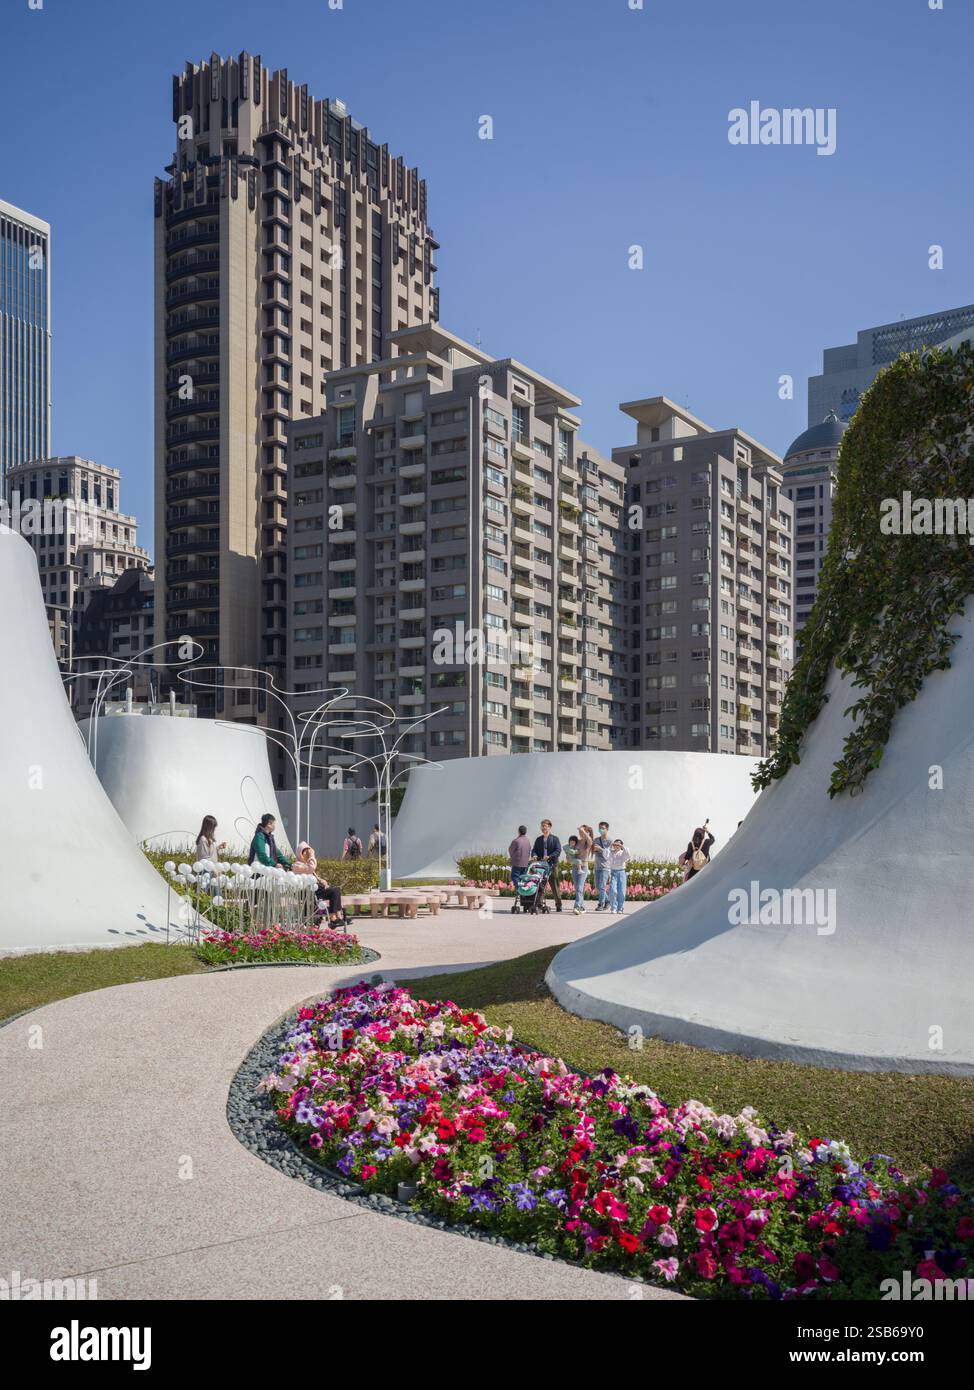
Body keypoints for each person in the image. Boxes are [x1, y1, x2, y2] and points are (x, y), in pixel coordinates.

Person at [294, 842, 345, 925]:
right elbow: (311, 868)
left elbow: (312, 874)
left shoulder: (306, 864)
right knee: (334, 891)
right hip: (308, 892)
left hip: (316, 890)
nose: (308, 854)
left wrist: (321, 880)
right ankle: (333, 917)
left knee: (336, 890)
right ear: (300, 853)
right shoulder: (297, 865)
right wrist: (311, 856)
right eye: (305, 852)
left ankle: (337, 916)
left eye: (308, 851)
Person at [532, 819, 562, 912]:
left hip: (552, 865)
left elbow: (558, 850)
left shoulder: (555, 839)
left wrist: (550, 856)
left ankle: (558, 904)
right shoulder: (538, 839)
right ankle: (539, 904)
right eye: (542, 826)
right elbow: (534, 850)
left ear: (549, 827)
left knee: (554, 885)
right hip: (541, 866)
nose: (543, 828)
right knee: (541, 884)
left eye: (545, 826)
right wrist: (534, 855)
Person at [569, 824, 594, 915]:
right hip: (575, 867)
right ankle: (582, 907)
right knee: (578, 888)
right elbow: (571, 852)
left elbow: (590, 840)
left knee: (580, 887)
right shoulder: (577, 841)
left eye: (582, 831)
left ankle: (577, 906)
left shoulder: (588, 842)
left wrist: (583, 831)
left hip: (584, 867)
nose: (580, 833)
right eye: (579, 831)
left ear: (587, 832)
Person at [508, 824, 532, 914]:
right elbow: (529, 850)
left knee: (515, 877)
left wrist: (513, 857)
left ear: (518, 831)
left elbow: (510, 850)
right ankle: (523, 889)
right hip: (525, 863)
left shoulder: (516, 841)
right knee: (523, 878)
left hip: (517, 863)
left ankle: (519, 888)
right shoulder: (528, 841)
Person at [592, 821, 612, 912]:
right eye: (599, 828)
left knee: (602, 886)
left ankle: (601, 904)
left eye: (603, 828)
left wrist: (600, 849)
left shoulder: (610, 841)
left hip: (605, 867)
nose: (601, 830)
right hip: (597, 866)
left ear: (607, 829)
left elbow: (609, 855)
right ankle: (608, 901)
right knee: (598, 887)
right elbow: (592, 851)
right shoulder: (596, 840)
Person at [608, 838, 632, 914]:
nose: (616, 846)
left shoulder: (623, 853)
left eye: (618, 844)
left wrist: (621, 845)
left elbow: (628, 854)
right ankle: (613, 907)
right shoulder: (610, 852)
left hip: (621, 872)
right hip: (613, 872)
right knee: (613, 890)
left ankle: (620, 908)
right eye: (615, 844)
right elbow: (605, 854)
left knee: (621, 891)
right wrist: (610, 845)